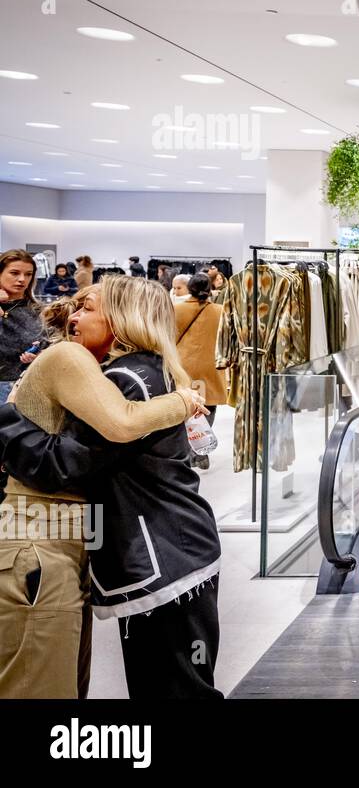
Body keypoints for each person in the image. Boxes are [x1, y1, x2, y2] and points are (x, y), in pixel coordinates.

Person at [0, 275, 221, 698]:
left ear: (122, 318)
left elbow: (63, 464)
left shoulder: (125, 380)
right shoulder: (147, 371)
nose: (73, 314)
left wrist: (7, 423)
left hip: (155, 555)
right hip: (154, 548)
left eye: (88, 307)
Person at [175, 272, 226, 470]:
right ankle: (200, 449)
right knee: (208, 407)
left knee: (185, 408)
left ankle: (189, 451)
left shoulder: (177, 309)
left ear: (190, 288)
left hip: (184, 366)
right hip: (210, 365)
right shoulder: (220, 310)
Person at [0, 250, 43, 402]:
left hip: (26, 387)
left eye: (28, 274)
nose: (21, 279)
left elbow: (48, 346)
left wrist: (39, 356)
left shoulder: (38, 311)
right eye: (14, 273)